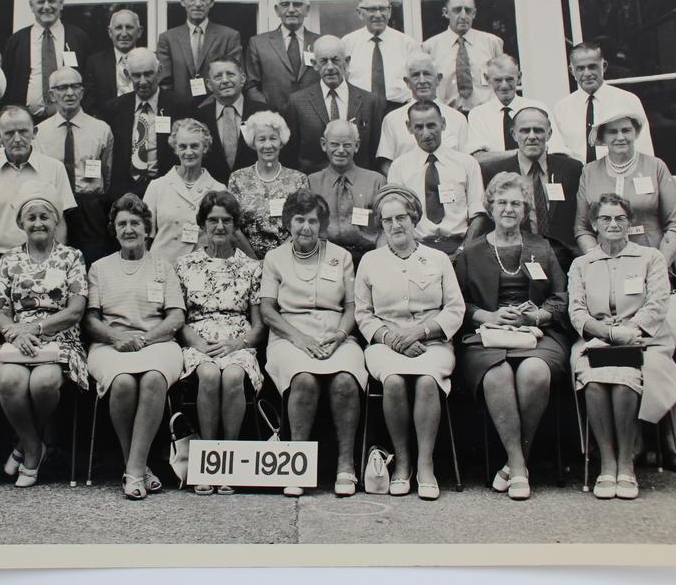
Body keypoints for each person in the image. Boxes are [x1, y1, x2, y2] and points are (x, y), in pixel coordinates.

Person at [454, 173, 570, 501]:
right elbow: (457, 303)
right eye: (502, 202)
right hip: (486, 335)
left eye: (515, 203)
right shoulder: (472, 252)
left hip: (537, 333)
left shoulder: (541, 247)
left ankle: (513, 464)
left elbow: (561, 298)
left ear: (525, 210)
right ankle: (519, 465)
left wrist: (539, 314)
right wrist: (489, 315)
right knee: (497, 374)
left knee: (535, 371)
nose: (508, 209)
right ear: (490, 207)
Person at [355, 185, 465, 500]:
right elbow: (363, 315)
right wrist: (392, 338)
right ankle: (402, 462)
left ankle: (425, 463)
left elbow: (455, 309)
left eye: (401, 217)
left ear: (413, 218)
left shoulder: (438, 258)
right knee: (393, 381)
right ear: (381, 224)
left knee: (429, 381)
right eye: (387, 220)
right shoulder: (370, 262)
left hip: (431, 342)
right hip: (386, 344)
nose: (396, 225)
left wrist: (422, 332)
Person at [568, 193, 676, 500]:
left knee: (624, 381)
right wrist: (606, 332)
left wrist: (631, 329)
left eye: (620, 218)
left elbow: (658, 303)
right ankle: (607, 462)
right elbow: (576, 311)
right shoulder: (582, 264)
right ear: (594, 224)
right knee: (591, 381)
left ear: (629, 222)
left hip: (644, 340)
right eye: (606, 218)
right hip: (597, 338)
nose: (613, 224)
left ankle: (627, 464)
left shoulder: (650, 258)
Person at [259, 190, 367, 497]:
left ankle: (346, 466)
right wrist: (299, 338)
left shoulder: (340, 256)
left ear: (322, 224)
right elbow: (267, 310)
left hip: (335, 333)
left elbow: (351, 308)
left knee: (346, 380)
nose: (306, 227)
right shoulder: (274, 258)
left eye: (312, 220)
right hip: (289, 335)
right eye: (299, 219)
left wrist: (342, 336)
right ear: (287, 222)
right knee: (303, 379)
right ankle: (297, 463)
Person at [83, 194, 186, 500]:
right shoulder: (100, 268)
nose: (129, 229)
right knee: (123, 382)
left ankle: (133, 468)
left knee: (154, 378)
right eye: (122, 224)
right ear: (114, 230)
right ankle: (138, 467)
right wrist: (116, 339)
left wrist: (145, 338)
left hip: (157, 342)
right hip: (110, 345)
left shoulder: (163, 266)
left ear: (147, 228)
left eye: (135, 223)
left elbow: (177, 315)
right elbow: (90, 320)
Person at [0, 182, 89, 488]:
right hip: (17, 340)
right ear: (21, 223)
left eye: (45, 216)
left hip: (60, 339)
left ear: (57, 220)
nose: (38, 223)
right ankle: (33, 446)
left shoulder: (72, 257)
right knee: (9, 380)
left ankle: (23, 446)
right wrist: (13, 333)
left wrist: (36, 328)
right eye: (31, 217)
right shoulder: (9, 259)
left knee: (43, 383)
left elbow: (76, 310)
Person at [175, 191, 266, 494]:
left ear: (235, 225)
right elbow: (180, 319)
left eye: (226, 220)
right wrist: (198, 344)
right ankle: (206, 461)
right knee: (211, 374)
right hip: (198, 339)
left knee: (234, 374)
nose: (219, 226)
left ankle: (228, 458)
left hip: (236, 339)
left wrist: (238, 343)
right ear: (202, 223)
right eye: (212, 220)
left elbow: (258, 323)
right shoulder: (185, 265)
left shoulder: (252, 267)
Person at [574, 109, 676, 272]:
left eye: (626, 130)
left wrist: (660, 265)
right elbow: (582, 227)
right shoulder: (589, 172)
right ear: (603, 137)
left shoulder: (655, 167)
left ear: (635, 133)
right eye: (613, 132)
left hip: (655, 260)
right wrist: (597, 260)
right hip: (606, 267)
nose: (620, 137)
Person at [480, 106, 583, 273]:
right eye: (525, 130)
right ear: (514, 134)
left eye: (539, 130)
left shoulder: (572, 169)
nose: (532, 136)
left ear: (549, 134)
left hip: (566, 261)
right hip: (516, 262)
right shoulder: (494, 172)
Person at [0, 106, 76, 265]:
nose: (17, 139)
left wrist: (56, 263)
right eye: (10, 133)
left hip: (44, 258)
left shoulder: (54, 169)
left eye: (23, 131)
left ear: (34, 132)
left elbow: (60, 224)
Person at [34, 67, 115, 265]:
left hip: (90, 208)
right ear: (52, 94)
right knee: (56, 263)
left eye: (75, 86)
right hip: (55, 208)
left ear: (82, 91)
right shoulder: (40, 132)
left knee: (92, 263)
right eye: (62, 88)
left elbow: (108, 173)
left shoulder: (101, 130)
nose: (69, 93)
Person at [386, 100, 486, 258]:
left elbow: (478, 214)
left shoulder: (467, 163)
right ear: (409, 127)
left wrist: (463, 250)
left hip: (460, 247)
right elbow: (397, 217)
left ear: (443, 124)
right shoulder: (399, 167)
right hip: (418, 249)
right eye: (419, 127)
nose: (426, 133)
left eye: (431, 125)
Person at [99, 47, 195, 200]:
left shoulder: (180, 106)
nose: (143, 81)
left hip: (168, 190)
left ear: (159, 71)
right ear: (128, 75)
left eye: (148, 74)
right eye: (136, 75)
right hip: (125, 192)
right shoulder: (114, 108)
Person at [282, 35, 385, 174]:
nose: (330, 67)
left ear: (347, 61)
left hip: (358, 186)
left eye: (335, 60)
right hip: (313, 187)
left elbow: (373, 153)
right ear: (314, 64)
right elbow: (290, 155)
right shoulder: (297, 102)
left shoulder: (370, 102)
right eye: (323, 61)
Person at [0, 0, 92, 121]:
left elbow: (88, 80)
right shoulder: (17, 41)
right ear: (31, 5)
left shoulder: (78, 37)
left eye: (52, 1)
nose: (46, 6)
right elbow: (7, 83)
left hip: (70, 120)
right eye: (41, 2)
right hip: (27, 123)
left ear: (61, 3)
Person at [375, 52, 475, 177]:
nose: (422, 81)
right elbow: (385, 164)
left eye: (427, 74)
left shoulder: (457, 119)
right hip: (408, 191)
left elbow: (466, 162)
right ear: (407, 82)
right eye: (416, 75)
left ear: (438, 79)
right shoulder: (392, 120)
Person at [552, 42, 653, 163]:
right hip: (577, 178)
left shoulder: (628, 101)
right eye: (580, 68)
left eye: (592, 67)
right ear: (572, 71)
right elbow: (558, 153)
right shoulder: (561, 108)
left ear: (604, 66)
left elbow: (644, 149)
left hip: (620, 175)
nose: (587, 74)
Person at [144, 118, 226, 264]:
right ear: (175, 149)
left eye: (194, 146)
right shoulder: (157, 187)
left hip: (201, 271)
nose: (189, 152)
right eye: (182, 146)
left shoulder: (219, 189)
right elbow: (144, 238)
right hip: (163, 268)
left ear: (205, 147)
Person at [228, 110, 309, 260]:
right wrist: (254, 260)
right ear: (253, 142)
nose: (268, 145)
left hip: (288, 260)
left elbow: (302, 223)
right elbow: (233, 225)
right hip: (247, 261)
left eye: (273, 138)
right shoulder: (238, 178)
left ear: (281, 141)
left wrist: (275, 261)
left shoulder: (298, 179)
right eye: (262, 139)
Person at [306, 120, 385, 267]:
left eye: (347, 144)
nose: (341, 150)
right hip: (325, 259)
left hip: (367, 258)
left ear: (357, 145)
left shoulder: (376, 181)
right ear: (324, 144)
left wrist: (378, 263)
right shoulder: (312, 182)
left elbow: (384, 230)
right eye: (334, 144)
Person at [156, 0, 243, 105]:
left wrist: (208, 106)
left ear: (212, 1)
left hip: (217, 109)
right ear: (182, 0)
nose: (198, 3)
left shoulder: (229, 36)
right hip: (179, 110)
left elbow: (234, 79)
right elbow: (164, 83)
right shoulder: (167, 39)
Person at [466, 55, 566, 159]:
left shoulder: (538, 109)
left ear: (519, 77)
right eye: (498, 80)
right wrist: (524, 153)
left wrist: (498, 155)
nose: (504, 85)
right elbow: (478, 158)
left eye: (509, 79)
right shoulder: (478, 115)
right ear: (487, 79)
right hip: (496, 174)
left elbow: (556, 150)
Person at [422, 0, 505, 112]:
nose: (463, 16)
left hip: (485, 116)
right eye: (457, 10)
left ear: (474, 13)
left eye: (468, 10)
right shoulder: (430, 47)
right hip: (448, 116)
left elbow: (502, 81)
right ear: (445, 13)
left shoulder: (492, 43)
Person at [340, 0, 422, 112]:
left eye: (383, 9)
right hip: (360, 109)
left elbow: (418, 81)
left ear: (389, 12)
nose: (378, 15)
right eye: (372, 9)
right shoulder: (347, 43)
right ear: (360, 13)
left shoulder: (407, 44)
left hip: (398, 109)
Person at [245, 0, 321, 112]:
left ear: (307, 10)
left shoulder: (320, 43)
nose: (291, 10)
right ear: (277, 10)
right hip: (274, 118)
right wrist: (267, 111)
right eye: (285, 4)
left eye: (297, 4)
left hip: (312, 118)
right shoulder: (258, 43)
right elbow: (250, 86)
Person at [195, 55, 267, 183]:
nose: (225, 80)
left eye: (230, 74)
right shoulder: (198, 118)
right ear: (209, 84)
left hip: (255, 192)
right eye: (218, 76)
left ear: (243, 78)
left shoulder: (265, 114)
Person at [82, 8, 142, 115]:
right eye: (119, 28)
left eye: (129, 27)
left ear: (139, 32)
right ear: (110, 32)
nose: (124, 33)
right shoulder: (94, 63)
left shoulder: (151, 60)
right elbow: (89, 104)